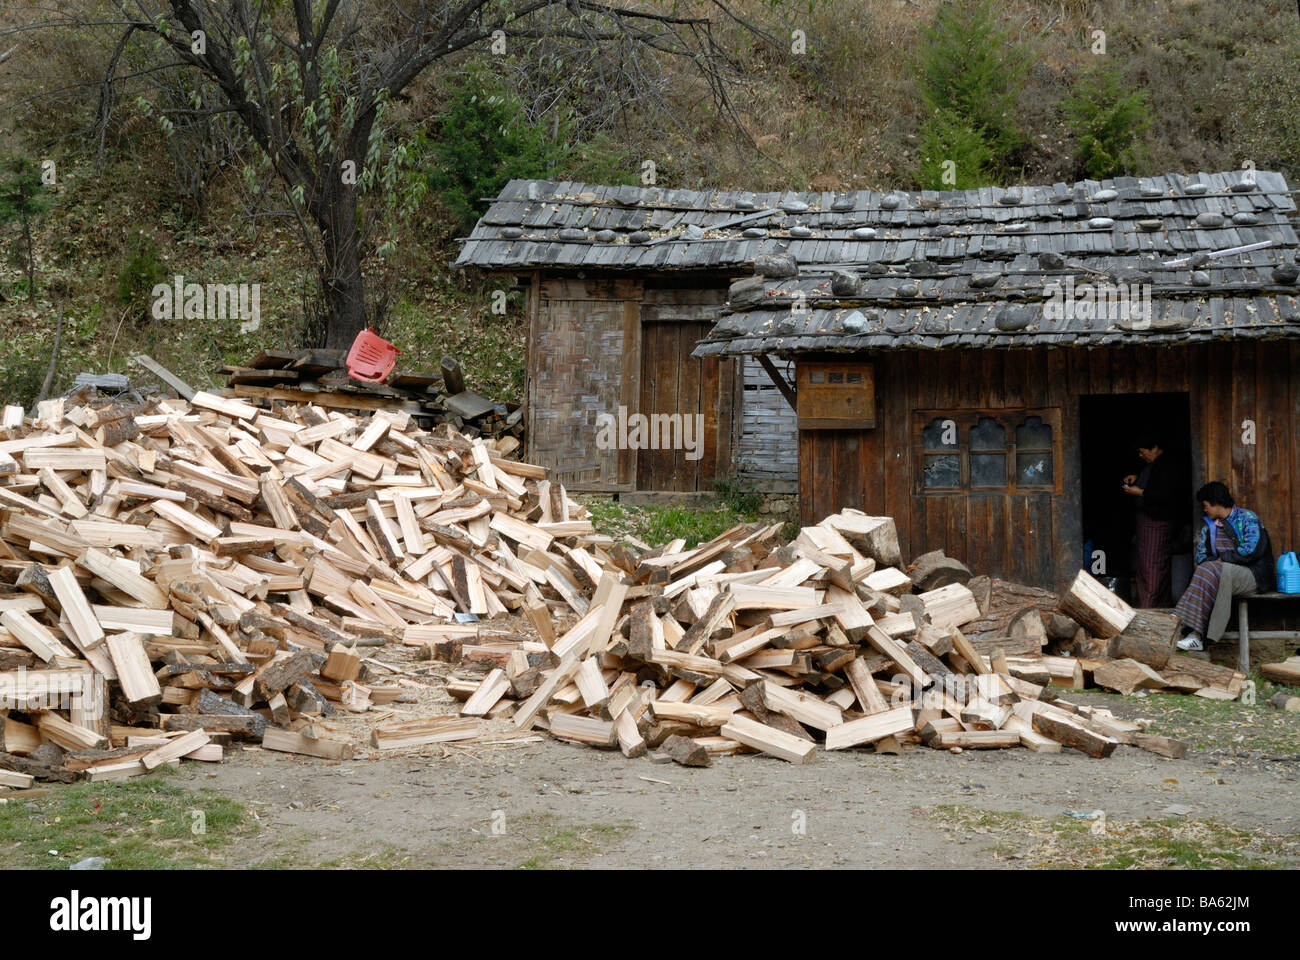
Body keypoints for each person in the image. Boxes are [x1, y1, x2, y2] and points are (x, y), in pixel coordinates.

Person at [1173, 482, 1274, 651]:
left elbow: (1251, 551)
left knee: (1219, 569)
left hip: (1253, 575)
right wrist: (1217, 561)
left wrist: (1222, 559)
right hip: (1220, 575)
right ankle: (1195, 636)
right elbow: (1201, 557)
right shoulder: (1209, 528)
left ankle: (1182, 622)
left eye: (1206, 506)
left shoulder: (1247, 519)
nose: (1204, 510)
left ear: (1216, 503)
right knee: (1211, 569)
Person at [1121, 433, 1178, 607]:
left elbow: (1165, 494)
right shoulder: (1153, 465)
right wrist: (1137, 479)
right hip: (1146, 524)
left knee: (1153, 567)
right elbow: (1154, 483)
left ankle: (1150, 608)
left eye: (1142, 451)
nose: (1140, 455)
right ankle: (1150, 605)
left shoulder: (1167, 465)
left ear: (1154, 448)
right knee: (1146, 566)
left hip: (1156, 523)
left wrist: (1141, 492)